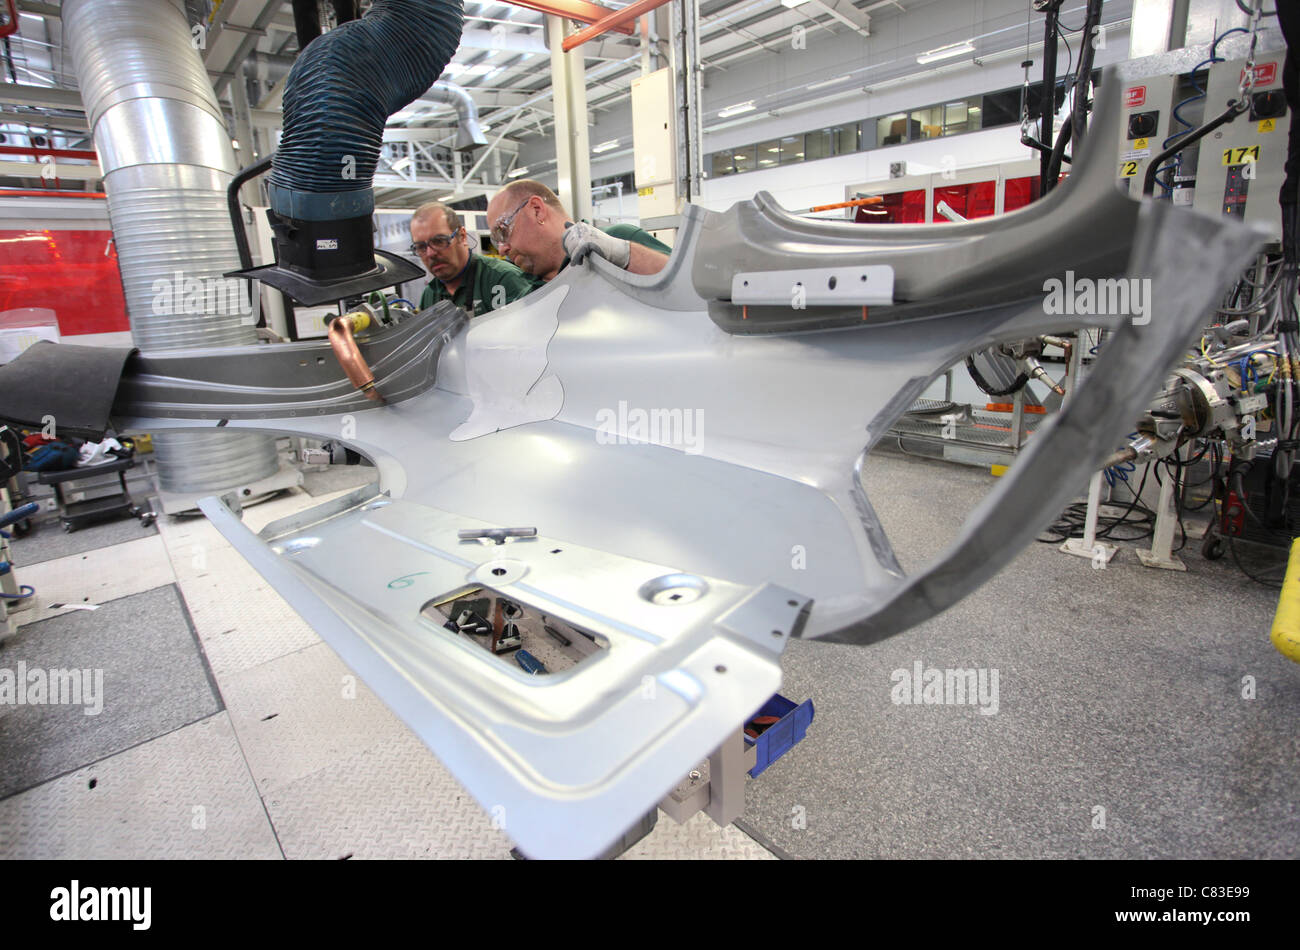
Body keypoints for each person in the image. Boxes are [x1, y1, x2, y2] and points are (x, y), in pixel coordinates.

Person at [485, 180, 671, 283]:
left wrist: (625, 254)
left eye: (503, 231)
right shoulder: (528, 291)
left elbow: (690, 284)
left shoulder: (619, 238)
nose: (502, 249)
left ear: (536, 209)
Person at [409, 201, 538, 316]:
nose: (430, 253)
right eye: (421, 247)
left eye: (439, 241)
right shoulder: (430, 294)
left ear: (462, 236)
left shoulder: (502, 279)